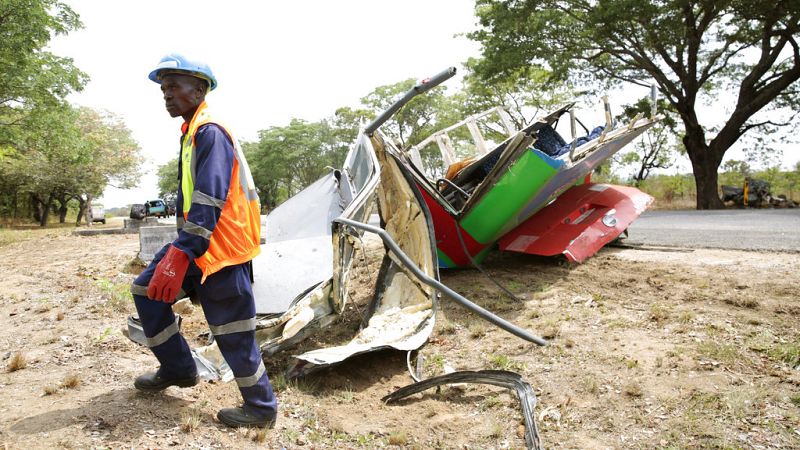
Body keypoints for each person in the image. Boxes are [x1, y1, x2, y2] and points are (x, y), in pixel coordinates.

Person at [129, 53, 277, 428]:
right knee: (147, 291)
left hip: (221, 249)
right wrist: (182, 248)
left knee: (232, 331)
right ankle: (179, 368)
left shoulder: (210, 131)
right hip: (199, 244)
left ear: (199, 88)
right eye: (163, 88)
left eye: (173, 86)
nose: (166, 94)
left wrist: (181, 254)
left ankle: (261, 409)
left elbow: (211, 198)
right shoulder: (192, 132)